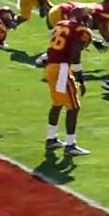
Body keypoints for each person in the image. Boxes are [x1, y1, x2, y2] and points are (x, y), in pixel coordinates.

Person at [44, 10, 93, 155]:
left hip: (51, 67)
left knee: (58, 103)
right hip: (62, 69)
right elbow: (75, 53)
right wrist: (80, 79)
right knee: (74, 107)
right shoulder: (81, 31)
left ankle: (51, 138)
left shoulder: (61, 25)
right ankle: (70, 145)